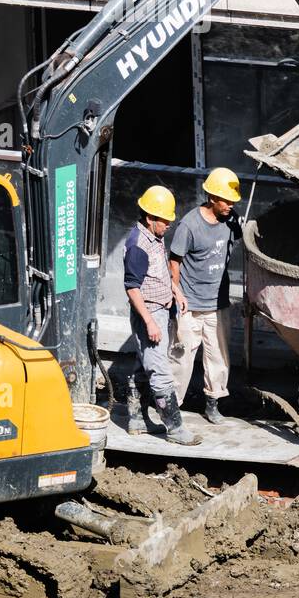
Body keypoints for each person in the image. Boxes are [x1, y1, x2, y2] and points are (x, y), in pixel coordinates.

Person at [124, 185, 201, 446]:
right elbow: (133, 288)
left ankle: (136, 420)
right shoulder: (137, 246)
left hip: (160, 307)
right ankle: (175, 428)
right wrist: (149, 322)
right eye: (165, 220)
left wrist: (176, 291)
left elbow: (161, 273)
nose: (168, 224)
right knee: (159, 370)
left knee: (143, 366)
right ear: (150, 218)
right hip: (149, 311)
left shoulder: (154, 237)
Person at [169, 167, 242, 425]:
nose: (231, 204)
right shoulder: (190, 225)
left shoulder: (231, 220)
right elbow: (174, 260)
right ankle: (171, 405)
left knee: (218, 357)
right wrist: (177, 292)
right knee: (181, 356)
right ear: (211, 197)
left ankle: (213, 403)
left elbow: (242, 237)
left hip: (218, 303)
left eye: (233, 200)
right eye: (226, 200)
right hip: (191, 302)